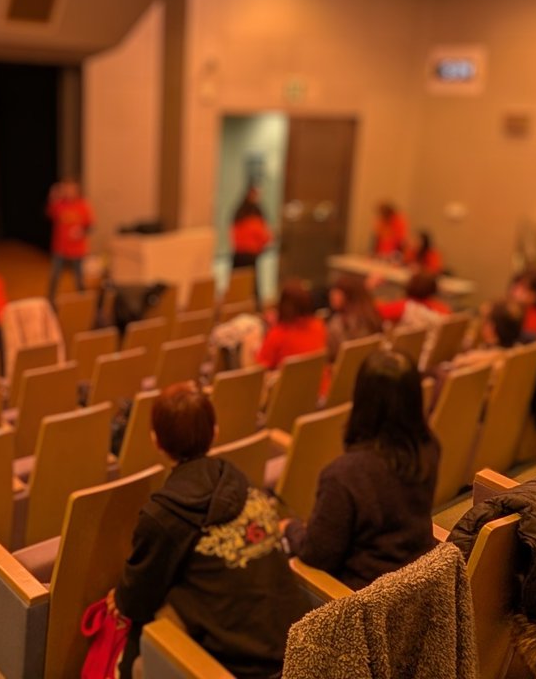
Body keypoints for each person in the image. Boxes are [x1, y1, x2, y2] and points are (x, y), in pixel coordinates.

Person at [109, 383, 311, 678]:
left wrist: (120, 596)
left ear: (157, 442)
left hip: (240, 666)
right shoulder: (238, 481)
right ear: (214, 431)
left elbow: (136, 601)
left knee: (137, 661)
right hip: (294, 647)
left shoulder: (162, 514)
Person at [283, 349, 441, 589]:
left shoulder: (343, 475)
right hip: (416, 583)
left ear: (362, 400)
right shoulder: (429, 448)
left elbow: (316, 556)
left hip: (357, 601)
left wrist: (290, 528)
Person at [256, 279, 328, 371]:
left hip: (288, 384)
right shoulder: (319, 325)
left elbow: (261, 366)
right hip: (319, 384)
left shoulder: (278, 334)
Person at [45, 178, 94, 302]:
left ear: (77, 190)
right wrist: (53, 197)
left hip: (78, 249)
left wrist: (81, 232)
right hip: (60, 247)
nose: (69, 192)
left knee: (79, 277)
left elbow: (90, 225)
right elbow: (49, 213)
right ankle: (50, 300)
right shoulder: (59, 204)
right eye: (66, 189)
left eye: (71, 189)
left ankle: (83, 300)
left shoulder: (83, 205)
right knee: (55, 276)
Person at [326, 275, 383, 363]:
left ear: (349, 296)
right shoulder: (370, 315)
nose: (332, 295)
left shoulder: (337, 324)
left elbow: (331, 357)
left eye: (337, 292)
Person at [231, 185, 272, 302]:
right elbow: (264, 236)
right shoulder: (254, 215)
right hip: (248, 255)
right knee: (250, 286)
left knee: (238, 285)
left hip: (239, 254)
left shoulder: (239, 212)